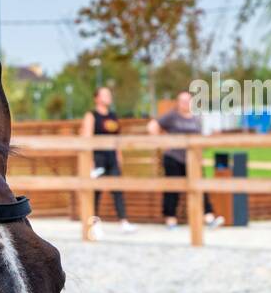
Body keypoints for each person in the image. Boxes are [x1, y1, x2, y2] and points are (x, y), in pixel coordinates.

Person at [148, 91, 224, 229]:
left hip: (193, 160)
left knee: (201, 187)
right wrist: (163, 143)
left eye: (188, 101)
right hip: (174, 157)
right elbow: (152, 126)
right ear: (178, 102)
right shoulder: (172, 116)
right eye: (182, 101)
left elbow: (200, 137)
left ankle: (208, 217)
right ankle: (171, 220)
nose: (185, 103)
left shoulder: (196, 118)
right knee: (173, 189)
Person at [79, 87, 135, 235]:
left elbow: (117, 139)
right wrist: (90, 160)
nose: (108, 97)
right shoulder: (91, 115)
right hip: (98, 157)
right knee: (96, 191)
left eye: (109, 94)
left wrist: (119, 155)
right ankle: (94, 223)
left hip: (112, 157)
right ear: (96, 98)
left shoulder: (113, 116)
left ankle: (123, 221)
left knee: (117, 189)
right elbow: (87, 137)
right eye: (105, 94)